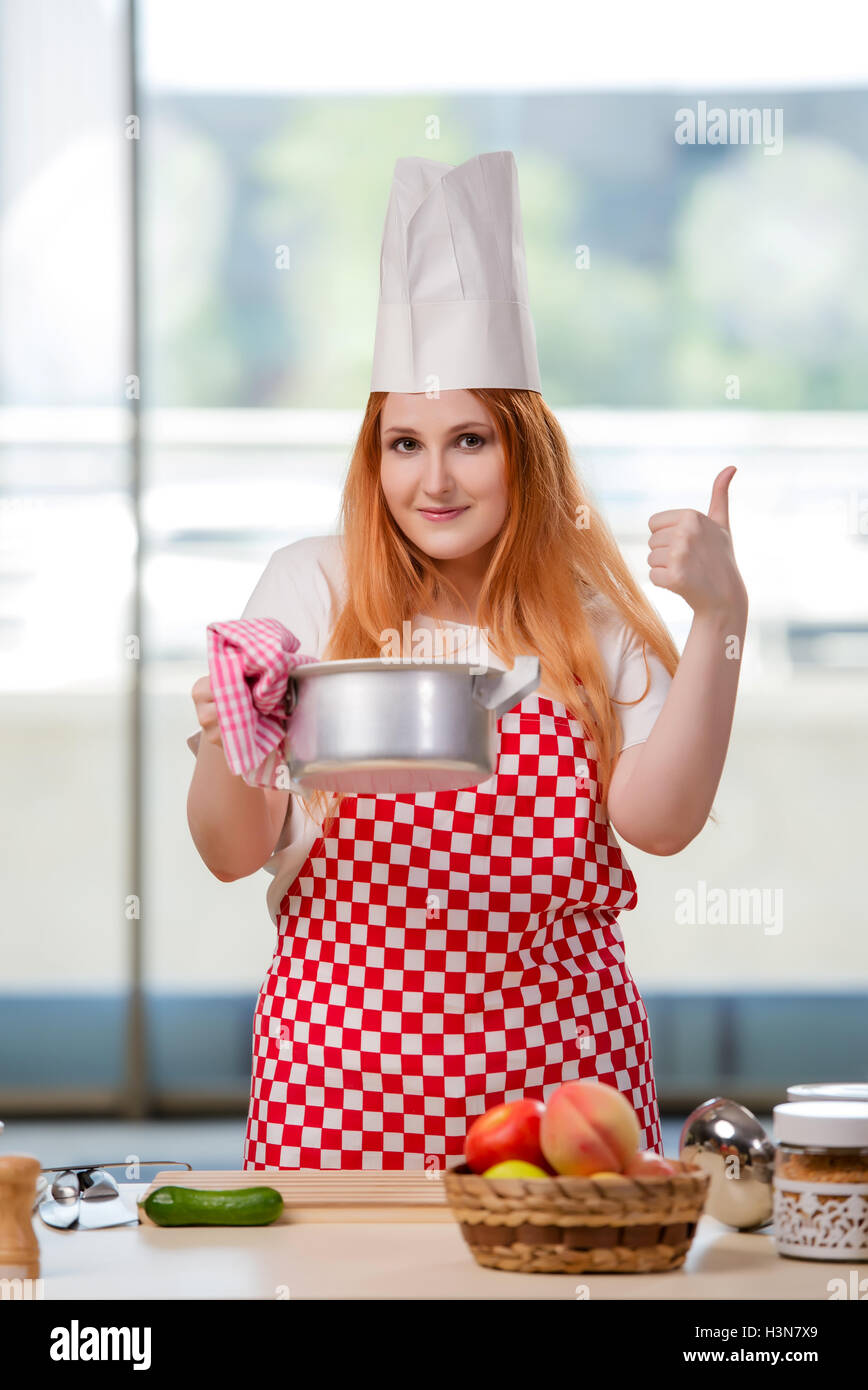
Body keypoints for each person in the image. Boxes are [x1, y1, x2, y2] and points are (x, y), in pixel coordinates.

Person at [187, 152, 748, 1171]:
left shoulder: (590, 617)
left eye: (469, 441)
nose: (433, 479)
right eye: (404, 443)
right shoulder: (307, 590)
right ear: (375, 456)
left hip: (566, 1101)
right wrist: (234, 726)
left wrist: (719, 616)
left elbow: (658, 825)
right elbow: (232, 850)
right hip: (337, 1090)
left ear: (522, 450)